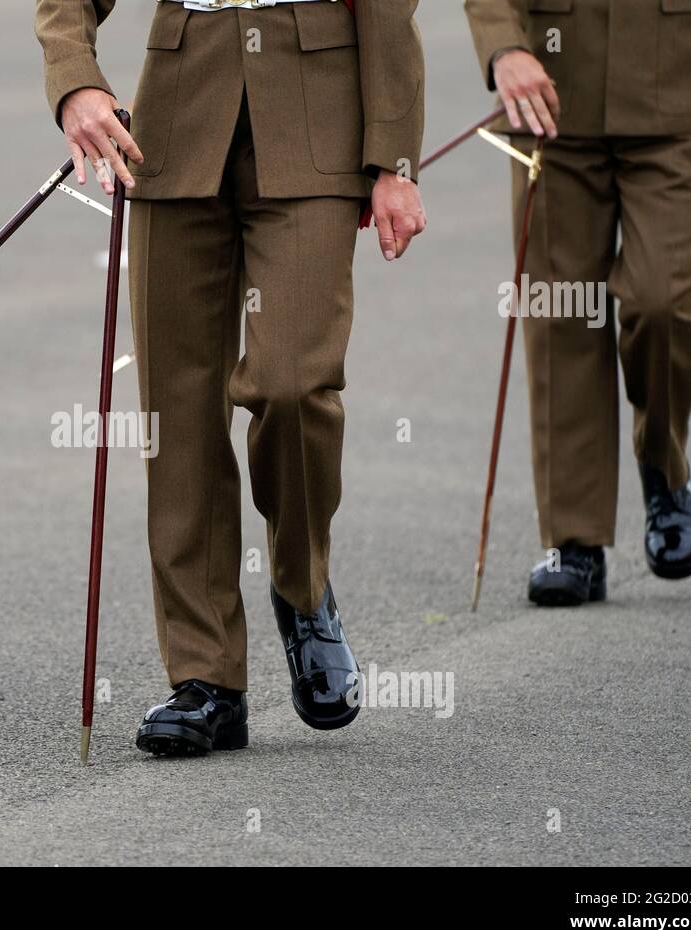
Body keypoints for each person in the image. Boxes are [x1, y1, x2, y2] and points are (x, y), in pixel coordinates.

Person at [35, 0, 426, 754]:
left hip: (316, 117)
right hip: (179, 119)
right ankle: (206, 677)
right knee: (177, 412)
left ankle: (302, 587)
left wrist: (392, 161)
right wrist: (75, 80)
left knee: (293, 383)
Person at [463, 0, 691, 606]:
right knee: (563, 309)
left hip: (684, 92)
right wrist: (503, 48)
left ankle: (664, 468)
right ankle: (573, 540)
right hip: (552, 94)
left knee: (660, 299)